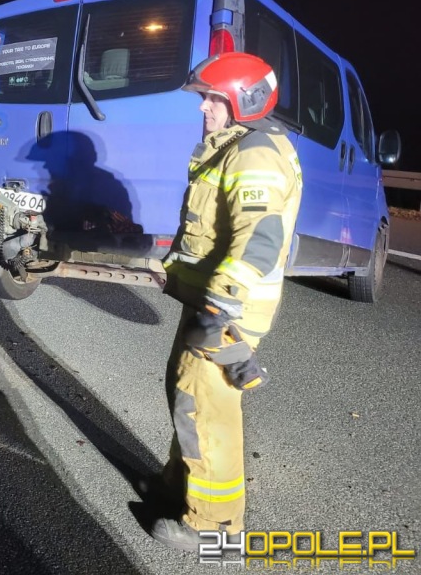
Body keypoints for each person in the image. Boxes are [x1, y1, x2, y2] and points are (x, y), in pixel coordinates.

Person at [150, 51, 303, 552]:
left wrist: (221, 306)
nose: (203, 108)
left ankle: (217, 529)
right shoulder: (239, 145)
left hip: (228, 307)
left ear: (245, 101)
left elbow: (259, 238)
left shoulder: (255, 154)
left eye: (213, 99)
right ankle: (179, 488)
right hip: (212, 300)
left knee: (205, 407)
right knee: (186, 392)